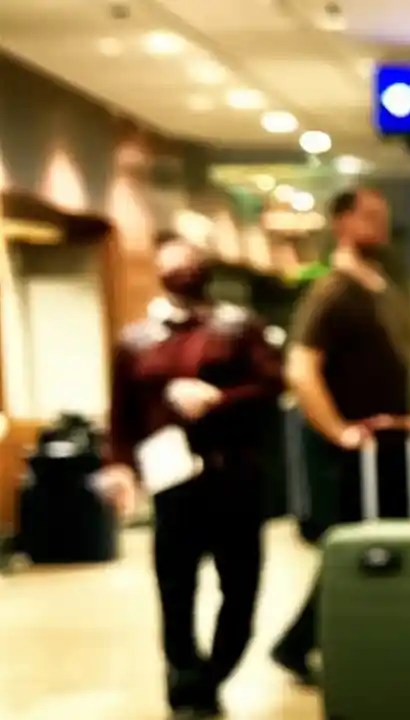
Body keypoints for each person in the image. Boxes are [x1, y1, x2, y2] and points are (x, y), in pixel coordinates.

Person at [99, 232, 284, 718]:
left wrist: (218, 399)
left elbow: (270, 387)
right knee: (175, 589)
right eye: (171, 261)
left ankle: (213, 674)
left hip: (235, 475)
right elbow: (123, 414)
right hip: (172, 480)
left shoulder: (240, 328)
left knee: (240, 588)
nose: (181, 268)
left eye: (189, 259)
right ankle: (184, 684)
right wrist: (120, 466)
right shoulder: (135, 341)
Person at [270, 186, 410, 683]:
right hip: (353, 450)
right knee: (351, 548)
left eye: (383, 215)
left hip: (390, 444)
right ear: (342, 222)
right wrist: (337, 431)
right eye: (369, 216)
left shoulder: (385, 285)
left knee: (387, 544)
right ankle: (299, 644)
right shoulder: (331, 290)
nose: (379, 225)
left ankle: (368, 638)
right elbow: (302, 368)